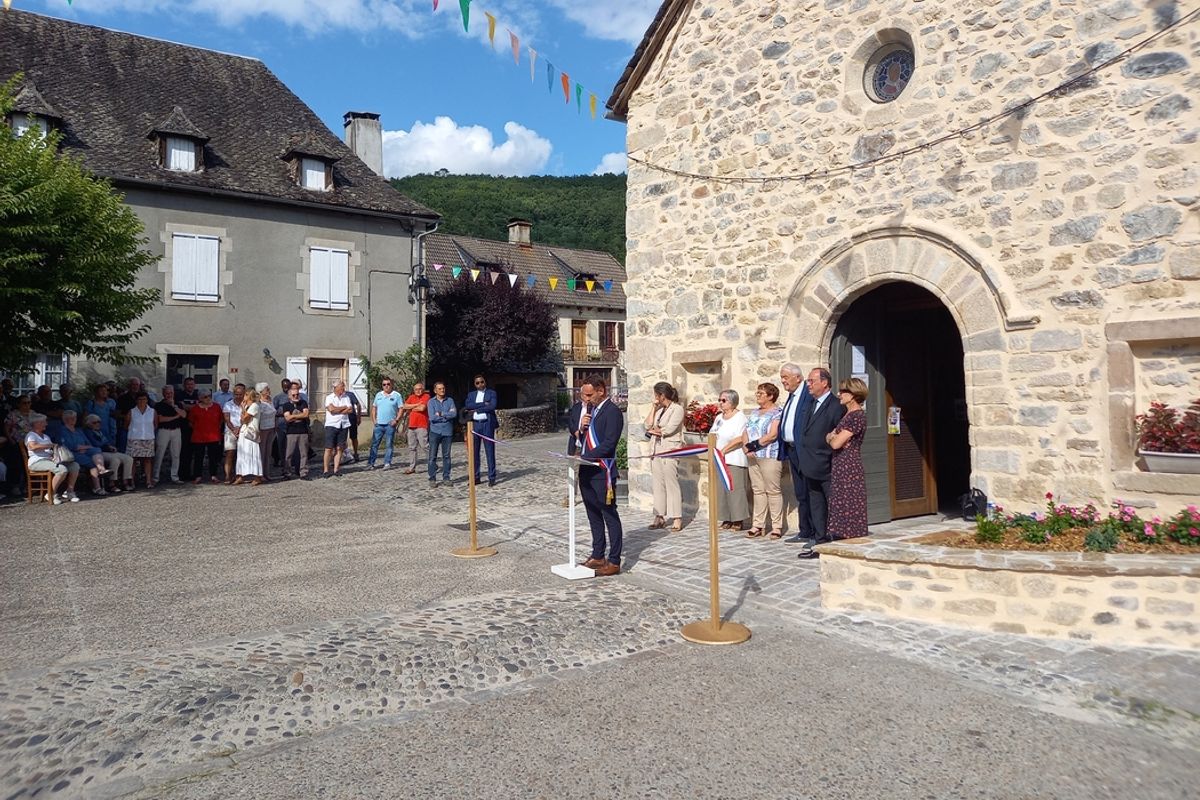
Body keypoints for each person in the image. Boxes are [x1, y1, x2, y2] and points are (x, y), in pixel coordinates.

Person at [575, 377, 624, 577]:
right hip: (587, 469)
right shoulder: (591, 411)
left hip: (602, 471)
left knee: (608, 514)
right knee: (592, 513)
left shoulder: (612, 412)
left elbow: (609, 443)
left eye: (589, 395)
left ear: (601, 391)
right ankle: (598, 554)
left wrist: (585, 456)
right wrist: (581, 430)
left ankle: (614, 560)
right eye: (584, 395)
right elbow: (585, 440)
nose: (586, 399)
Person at [796, 367, 846, 560]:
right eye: (808, 381)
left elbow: (837, 433)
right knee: (816, 504)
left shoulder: (835, 405)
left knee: (833, 503)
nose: (809, 384)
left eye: (811, 381)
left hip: (826, 464)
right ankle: (821, 541)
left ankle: (839, 541)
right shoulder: (811, 403)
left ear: (824, 382)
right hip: (810, 464)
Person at [826, 378, 870, 541]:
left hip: (849, 464)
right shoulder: (847, 415)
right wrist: (832, 437)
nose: (839, 395)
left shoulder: (857, 416)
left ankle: (850, 534)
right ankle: (840, 533)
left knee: (849, 499)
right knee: (840, 498)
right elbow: (830, 436)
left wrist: (833, 437)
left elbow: (836, 443)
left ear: (853, 395)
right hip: (840, 462)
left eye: (843, 392)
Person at [776, 362, 813, 544]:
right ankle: (804, 530)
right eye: (782, 377)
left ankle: (815, 532)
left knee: (810, 491)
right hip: (792, 450)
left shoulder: (807, 395)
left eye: (785, 377)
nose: (783, 381)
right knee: (800, 492)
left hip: (805, 451)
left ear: (798, 378)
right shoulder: (791, 396)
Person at [742, 383, 785, 538]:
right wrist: (746, 446)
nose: (757, 395)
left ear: (770, 396)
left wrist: (754, 445)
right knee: (758, 490)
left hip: (769, 454)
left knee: (773, 490)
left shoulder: (777, 413)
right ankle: (758, 524)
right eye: (757, 393)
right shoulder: (754, 412)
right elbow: (746, 430)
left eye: (761, 393)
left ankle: (776, 526)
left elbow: (773, 434)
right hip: (753, 456)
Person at [643, 381, 684, 531]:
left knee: (671, 483)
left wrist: (656, 430)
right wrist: (653, 408)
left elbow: (669, 429)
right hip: (656, 450)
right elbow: (647, 425)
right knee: (658, 484)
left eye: (656, 395)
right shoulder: (660, 411)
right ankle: (659, 516)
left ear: (662, 395)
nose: (654, 398)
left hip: (670, 450)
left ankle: (677, 517)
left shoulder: (677, 409)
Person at [711, 389, 750, 531]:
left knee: (735, 489)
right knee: (721, 490)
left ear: (732, 402)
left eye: (724, 400)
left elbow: (740, 438)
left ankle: (738, 520)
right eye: (720, 400)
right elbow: (713, 434)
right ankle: (726, 518)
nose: (720, 403)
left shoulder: (740, 417)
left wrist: (724, 450)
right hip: (720, 459)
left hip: (734, 458)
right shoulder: (719, 418)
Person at [25, 413, 79, 504]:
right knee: (61, 470)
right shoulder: (31, 435)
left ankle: (69, 492)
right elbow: (32, 447)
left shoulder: (46, 436)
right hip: (37, 461)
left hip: (49, 460)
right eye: (44, 422)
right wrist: (50, 445)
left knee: (74, 466)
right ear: (37, 423)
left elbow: (51, 449)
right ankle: (51, 494)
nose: (46, 424)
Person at [56, 409, 110, 495]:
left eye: (75, 417)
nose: (74, 419)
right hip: (71, 454)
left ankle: (101, 469)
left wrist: (84, 448)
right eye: (71, 418)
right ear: (65, 420)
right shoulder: (63, 431)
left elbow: (89, 443)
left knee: (96, 450)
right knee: (92, 463)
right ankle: (97, 487)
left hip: (84, 452)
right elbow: (70, 446)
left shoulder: (78, 430)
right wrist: (81, 448)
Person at [463, 374, 499, 486]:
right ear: (475, 384)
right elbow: (468, 405)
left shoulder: (491, 393)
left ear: (485, 382)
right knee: (474, 452)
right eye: (477, 383)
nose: (480, 384)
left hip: (487, 424)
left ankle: (491, 477)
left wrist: (476, 410)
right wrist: (483, 404)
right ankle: (476, 477)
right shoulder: (471, 394)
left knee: (489, 451)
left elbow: (492, 406)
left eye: (482, 382)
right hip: (475, 425)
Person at [84, 413, 132, 492]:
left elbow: (107, 441)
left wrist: (111, 447)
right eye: (94, 422)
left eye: (99, 422)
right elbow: (95, 444)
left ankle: (125, 481)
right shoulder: (88, 432)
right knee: (115, 460)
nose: (97, 424)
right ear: (88, 424)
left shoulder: (100, 431)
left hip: (107, 450)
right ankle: (112, 483)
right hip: (98, 453)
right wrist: (106, 446)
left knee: (128, 458)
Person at [152, 385, 187, 484]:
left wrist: (174, 406)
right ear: (163, 394)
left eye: (171, 393)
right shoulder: (159, 405)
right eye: (167, 393)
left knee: (176, 454)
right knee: (159, 454)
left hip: (176, 430)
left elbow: (184, 415)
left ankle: (174, 476)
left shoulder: (178, 404)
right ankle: (155, 477)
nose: (169, 395)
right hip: (163, 430)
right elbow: (161, 419)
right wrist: (175, 417)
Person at [187, 389, 224, 484]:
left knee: (213, 457)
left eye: (209, 396)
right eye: (205, 397)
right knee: (198, 457)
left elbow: (221, 419)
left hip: (213, 435)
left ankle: (213, 475)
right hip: (199, 436)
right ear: (200, 398)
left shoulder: (216, 407)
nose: (208, 398)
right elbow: (190, 422)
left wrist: (217, 427)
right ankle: (198, 476)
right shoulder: (195, 408)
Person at [368, 378, 403, 470]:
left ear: (391, 385)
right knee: (374, 444)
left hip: (390, 425)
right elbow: (374, 408)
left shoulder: (397, 395)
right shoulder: (378, 395)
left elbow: (401, 408)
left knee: (389, 444)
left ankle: (387, 463)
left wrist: (397, 420)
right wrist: (374, 420)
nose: (386, 386)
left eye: (388, 384)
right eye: (384, 384)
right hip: (379, 424)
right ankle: (371, 463)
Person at [426, 381, 456, 486]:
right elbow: (432, 418)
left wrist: (441, 414)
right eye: (439, 389)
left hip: (447, 432)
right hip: (435, 431)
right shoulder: (431, 402)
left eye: (443, 388)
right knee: (432, 456)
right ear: (435, 391)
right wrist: (446, 417)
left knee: (446, 456)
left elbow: (454, 414)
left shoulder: (450, 400)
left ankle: (446, 477)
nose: (442, 390)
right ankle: (432, 478)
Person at [126, 391, 157, 489]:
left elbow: (155, 425)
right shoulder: (131, 411)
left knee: (148, 460)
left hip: (148, 438)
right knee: (133, 461)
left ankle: (148, 481)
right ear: (136, 400)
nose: (142, 401)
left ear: (147, 400)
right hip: (134, 438)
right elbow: (126, 425)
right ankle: (132, 482)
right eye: (139, 399)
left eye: (144, 399)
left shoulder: (152, 411)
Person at [281, 383, 311, 479]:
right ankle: (287, 472)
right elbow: (287, 418)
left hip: (303, 431)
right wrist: (299, 415)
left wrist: (293, 416)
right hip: (291, 432)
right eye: (293, 395)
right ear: (289, 396)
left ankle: (304, 472)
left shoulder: (303, 403)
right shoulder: (286, 405)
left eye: (297, 395)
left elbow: (306, 415)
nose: (296, 396)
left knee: (304, 453)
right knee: (289, 454)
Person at [323, 380, 352, 478]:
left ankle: (336, 469)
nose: (343, 389)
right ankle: (326, 470)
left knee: (340, 448)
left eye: (344, 387)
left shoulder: (346, 397)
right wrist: (343, 407)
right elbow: (331, 410)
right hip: (332, 425)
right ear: (336, 388)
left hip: (343, 424)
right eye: (342, 387)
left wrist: (338, 409)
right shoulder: (329, 398)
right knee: (329, 448)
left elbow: (350, 409)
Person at [234, 388, 263, 485]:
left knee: (253, 453)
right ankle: (240, 475)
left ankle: (258, 476)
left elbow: (245, 419)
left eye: (246, 395)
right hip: (243, 432)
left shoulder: (254, 406)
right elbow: (242, 420)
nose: (244, 397)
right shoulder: (247, 406)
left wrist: (242, 409)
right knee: (242, 454)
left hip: (250, 433)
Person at [402, 381, 431, 474]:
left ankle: (432, 463)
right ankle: (412, 467)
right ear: (413, 390)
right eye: (416, 389)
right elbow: (404, 406)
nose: (418, 391)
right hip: (411, 426)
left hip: (422, 425)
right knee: (412, 447)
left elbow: (422, 408)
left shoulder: (426, 397)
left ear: (423, 389)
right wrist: (416, 405)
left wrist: (412, 408)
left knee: (424, 446)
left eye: (420, 389)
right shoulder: (411, 397)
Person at [221, 383, 246, 484]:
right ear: (233, 394)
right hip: (230, 431)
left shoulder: (245, 405)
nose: (238, 396)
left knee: (242, 455)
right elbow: (226, 419)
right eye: (236, 394)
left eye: (240, 394)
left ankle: (239, 475)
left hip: (243, 430)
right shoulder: (228, 404)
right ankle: (227, 476)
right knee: (229, 454)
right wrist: (234, 430)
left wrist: (239, 429)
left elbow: (246, 418)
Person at [177, 377, 199, 481]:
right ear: (184, 385)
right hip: (183, 427)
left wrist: (190, 407)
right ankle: (182, 474)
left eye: (192, 384)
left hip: (196, 428)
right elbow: (183, 407)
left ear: (194, 385)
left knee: (194, 453)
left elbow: (202, 406)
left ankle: (194, 474)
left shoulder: (197, 394)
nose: (190, 386)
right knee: (184, 452)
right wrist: (196, 406)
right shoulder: (179, 395)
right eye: (188, 384)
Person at [114, 377, 143, 453]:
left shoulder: (143, 398)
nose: (135, 386)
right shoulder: (122, 398)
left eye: (137, 385)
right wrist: (128, 416)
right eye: (133, 384)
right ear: (129, 386)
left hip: (139, 429)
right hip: (125, 428)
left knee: (138, 452)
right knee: (122, 450)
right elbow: (117, 414)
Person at [254, 382, 276, 481]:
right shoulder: (259, 403)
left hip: (271, 428)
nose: (269, 390)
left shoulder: (270, 401)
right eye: (267, 389)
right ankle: (260, 474)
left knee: (268, 452)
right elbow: (258, 417)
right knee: (262, 452)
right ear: (261, 392)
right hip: (263, 429)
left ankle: (267, 473)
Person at [272, 379, 292, 468]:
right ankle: (282, 462)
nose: (286, 389)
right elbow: (273, 411)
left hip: (292, 424)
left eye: (288, 387)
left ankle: (290, 462)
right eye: (284, 387)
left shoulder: (293, 396)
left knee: (290, 445)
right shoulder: (278, 398)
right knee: (281, 445)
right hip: (281, 424)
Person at [344, 389, 362, 463]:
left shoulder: (350, 394)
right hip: (342, 419)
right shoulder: (336, 396)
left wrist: (358, 417)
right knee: (343, 438)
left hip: (352, 418)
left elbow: (358, 404)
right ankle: (346, 454)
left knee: (353, 437)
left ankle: (355, 453)